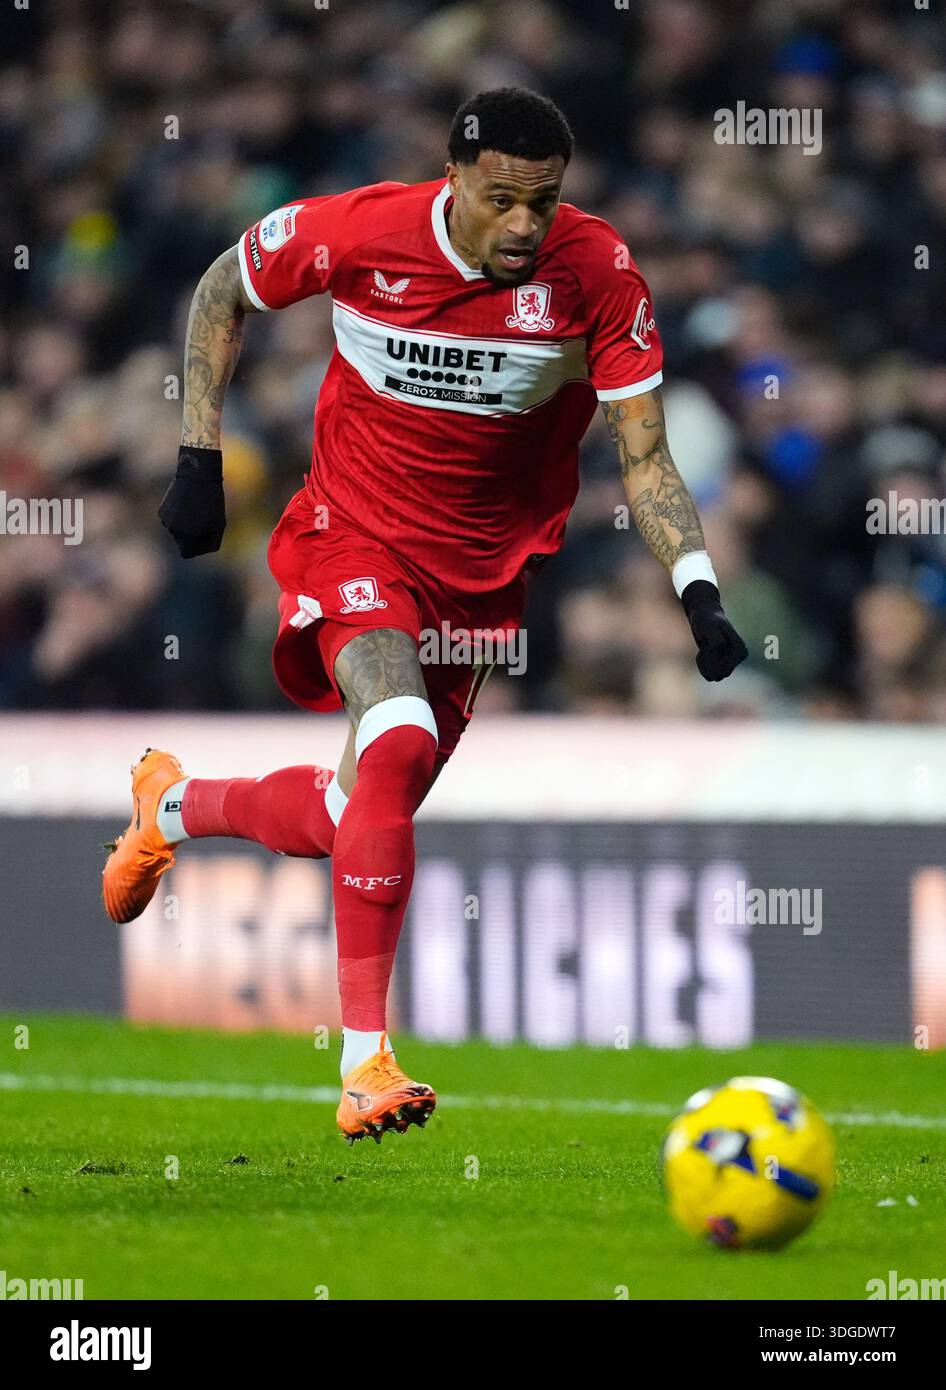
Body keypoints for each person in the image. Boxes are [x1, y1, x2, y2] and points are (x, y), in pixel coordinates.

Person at [103, 88, 746, 1144]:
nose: (525, 227)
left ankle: (168, 809)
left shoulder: (598, 274)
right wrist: (197, 457)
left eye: (543, 203)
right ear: (454, 175)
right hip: (348, 535)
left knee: (350, 808)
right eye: (502, 201)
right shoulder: (357, 231)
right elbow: (224, 286)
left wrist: (699, 591)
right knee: (395, 735)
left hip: (478, 586)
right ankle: (364, 1063)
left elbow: (644, 453)